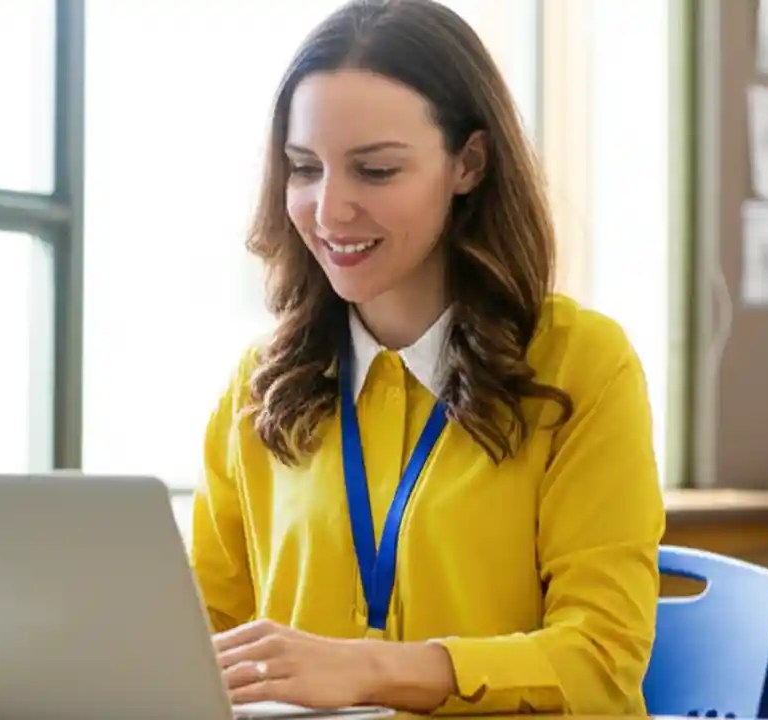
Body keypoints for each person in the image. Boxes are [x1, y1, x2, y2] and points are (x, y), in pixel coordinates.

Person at [190, 0, 665, 715]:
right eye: (303, 168)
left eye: (375, 171)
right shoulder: (258, 387)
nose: (329, 210)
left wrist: (377, 671)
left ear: (467, 164)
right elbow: (200, 643)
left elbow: (599, 662)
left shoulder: (585, 365)